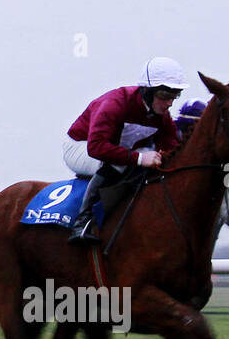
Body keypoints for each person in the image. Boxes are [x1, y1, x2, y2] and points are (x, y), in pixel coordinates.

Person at [64, 56, 185, 244]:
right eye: (164, 95)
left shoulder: (162, 116)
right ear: (147, 91)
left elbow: (172, 149)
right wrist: (138, 158)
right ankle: (83, 222)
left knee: (149, 158)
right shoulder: (115, 104)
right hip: (81, 146)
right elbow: (96, 147)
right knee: (120, 163)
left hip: (114, 150)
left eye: (174, 95)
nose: (169, 102)